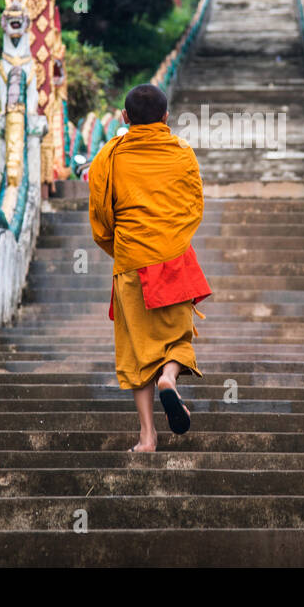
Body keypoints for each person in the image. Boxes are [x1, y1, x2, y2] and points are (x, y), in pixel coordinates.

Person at [87, 84, 211, 452]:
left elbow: (100, 217)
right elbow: (194, 206)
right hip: (174, 260)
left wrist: (123, 248)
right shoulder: (182, 153)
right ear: (166, 117)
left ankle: (147, 437)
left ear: (125, 118)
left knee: (137, 353)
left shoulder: (109, 156)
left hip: (130, 265)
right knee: (176, 339)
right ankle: (169, 378)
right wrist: (171, 241)